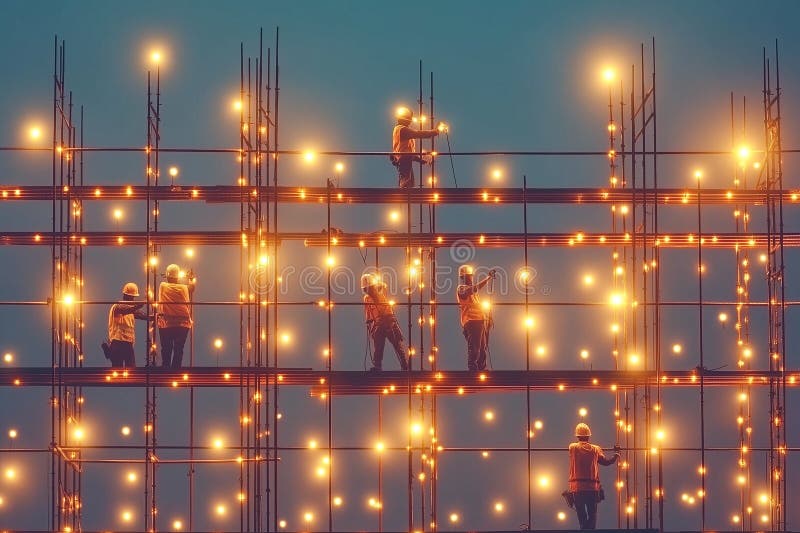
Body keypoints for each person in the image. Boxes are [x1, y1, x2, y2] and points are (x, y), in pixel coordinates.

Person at [567, 423, 620, 530]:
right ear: (589, 436)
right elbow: (606, 462)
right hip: (592, 488)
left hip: (577, 488)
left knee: (581, 516)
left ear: (577, 436)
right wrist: (616, 454)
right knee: (592, 515)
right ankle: (589, 530)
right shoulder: (596, 449)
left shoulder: (572, 447)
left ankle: (584, 530)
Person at [361, 273, 409, 371]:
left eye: (369, 288)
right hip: (378, 323)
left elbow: (384, 285)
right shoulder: (367, 298)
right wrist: (370, 323)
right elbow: (368, 313)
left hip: (388, 320)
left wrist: (377, 282)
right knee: (378, 345)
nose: (368, 291)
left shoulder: (381, 291)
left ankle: (405, 365)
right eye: (366, 289)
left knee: (396, 343)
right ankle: (377, 365)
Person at [456, 265, 496, 371]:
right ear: (463, 277)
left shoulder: (474, 294)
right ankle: (473, 370)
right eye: (468, 276)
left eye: (471, 276)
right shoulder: (461, 289)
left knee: (482, 349)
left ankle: (482, 369)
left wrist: (487, 318)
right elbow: (473, 290)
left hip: (479, 321)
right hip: (471, 322)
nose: (471, 278)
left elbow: (478, 306)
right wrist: (487, 278)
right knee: (475, 348)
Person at [390, 106, 440, 188]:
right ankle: (404, 194)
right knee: (406, 182)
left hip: (403, 158)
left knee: (407, 180)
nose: (410, 122)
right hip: (404, 159)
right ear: (405, 119)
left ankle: (404, 194)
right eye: (409, 120)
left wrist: (419, 159)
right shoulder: (402, 129)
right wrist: (434, 132)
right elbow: (419, 133)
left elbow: (406, 150)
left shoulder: (398, 129)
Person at [157, 264, 196, 368]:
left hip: (166, 323)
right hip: (183, 323)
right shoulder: (184, 288)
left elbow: (171, 283)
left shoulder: (162, 286)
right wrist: (191, 279)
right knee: (179, 348)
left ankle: (166, 367)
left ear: (167, 276)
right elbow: (192, 288)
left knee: (166, 348)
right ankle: (176, 369)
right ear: (177, 276)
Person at [106, 282, 149, 368]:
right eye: (132, 297)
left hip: (128, 343)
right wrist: (140, 305)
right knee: (118, 369)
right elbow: (126, 310)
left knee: (131, 369)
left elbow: (143, 316)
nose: (133, 299)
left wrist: (156, 316)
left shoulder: (131, 310)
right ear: (126, 296)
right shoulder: (117, 306)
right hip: (117, 342)